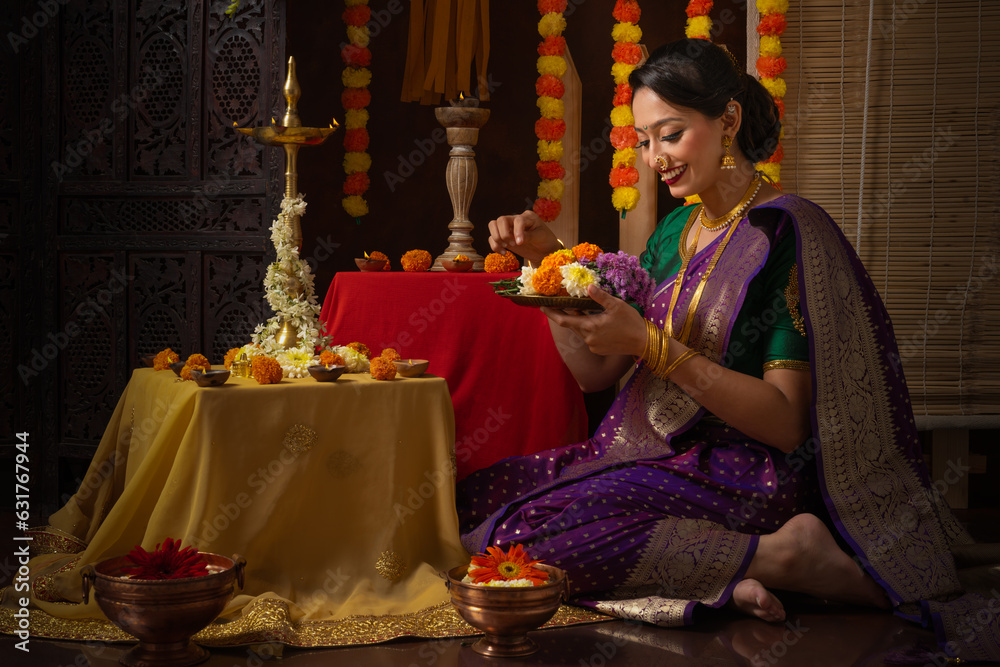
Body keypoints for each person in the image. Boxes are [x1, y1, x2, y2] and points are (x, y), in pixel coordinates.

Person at [459, 39, 999, 661]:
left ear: (729, 121)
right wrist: (552, 270)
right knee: (476, 505)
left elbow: (786, 422)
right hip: (659, 453)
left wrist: (654, 347)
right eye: (644, 140)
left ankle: (785, 554)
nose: (655, 157)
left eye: (671, 134)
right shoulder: (674, 232)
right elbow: (594, 373)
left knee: (531, 547)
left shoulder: (784, 233)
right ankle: (733, 579)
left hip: (752, 472)